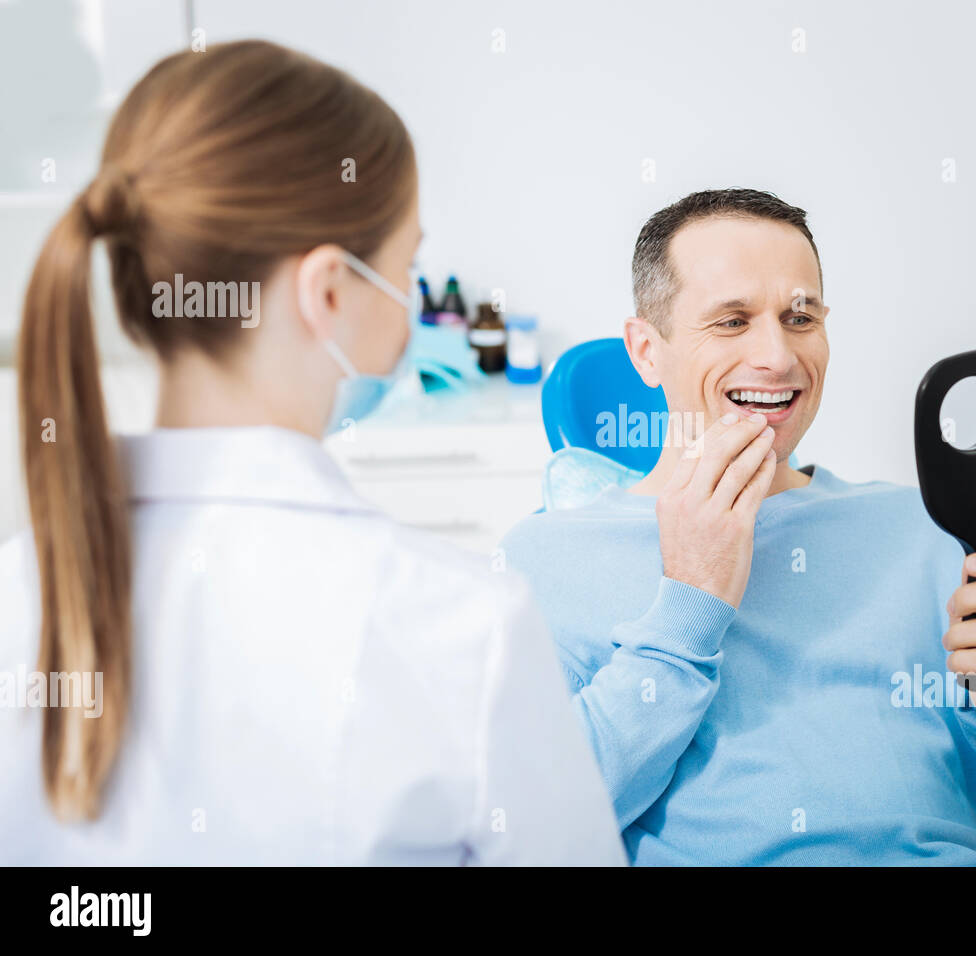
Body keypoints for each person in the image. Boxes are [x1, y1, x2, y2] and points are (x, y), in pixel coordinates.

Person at [0, 40, 624, 866]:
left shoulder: (15, 594)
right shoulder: (464, 628)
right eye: (406, 267)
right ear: (327, 291)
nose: (409, 305)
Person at [500, 188, 976, 865]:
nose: (779, 358)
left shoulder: (927, 529)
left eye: (800, 316)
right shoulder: (545, 561)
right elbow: (533, 824)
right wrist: (690, 606)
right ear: (646, 351)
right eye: (731, 321)